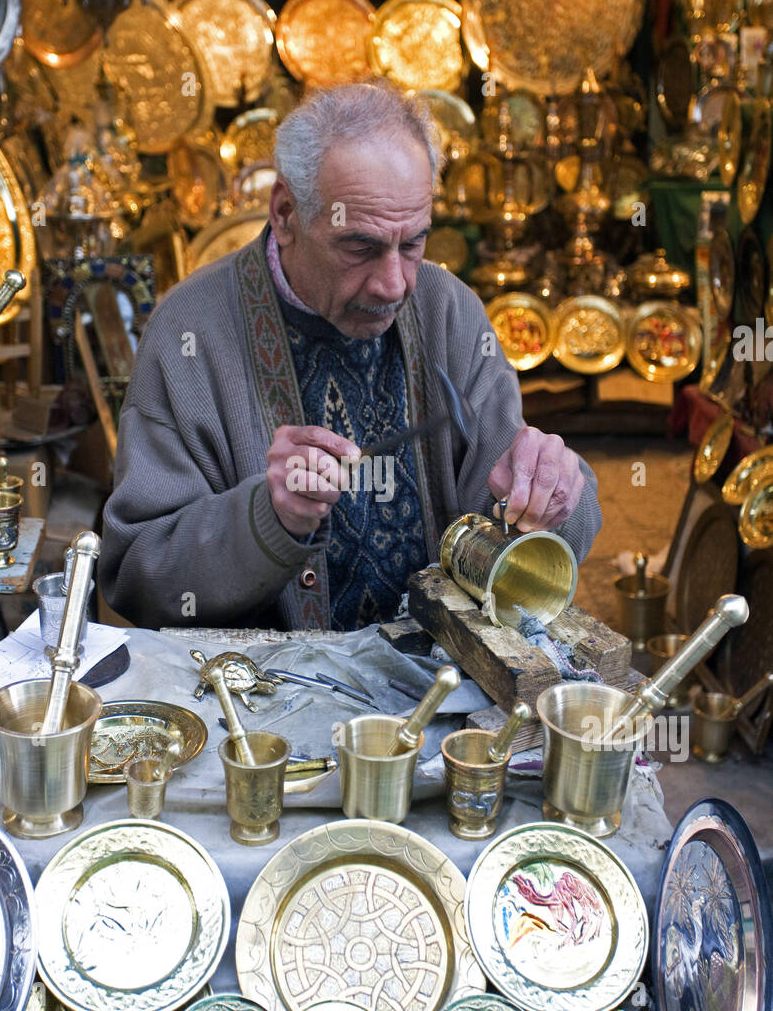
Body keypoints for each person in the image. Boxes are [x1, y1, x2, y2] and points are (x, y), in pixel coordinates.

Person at [99, 82, 601, 631]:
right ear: (286, 212)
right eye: (360, 247)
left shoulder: (447, 309)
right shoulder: (189, 331)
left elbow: (520, 523)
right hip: (262, 699)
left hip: (439, 686)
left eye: (412, 244)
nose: (393, 284)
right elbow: (137, 573)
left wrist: (554, 498)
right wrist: (268, 521)